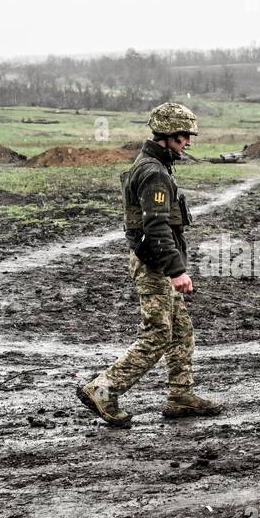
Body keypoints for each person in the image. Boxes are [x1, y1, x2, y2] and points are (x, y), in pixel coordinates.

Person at [76, 102, 225, 427]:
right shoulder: (154, 173)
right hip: (154, 265)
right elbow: (156, 226)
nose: (188, 142)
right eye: (184, 136)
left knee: (181, 331)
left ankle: (180, 395)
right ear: (168, 135)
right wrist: (177, 271)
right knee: (158, 333)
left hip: (155, 261)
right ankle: (103, 388)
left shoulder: (152, 165)